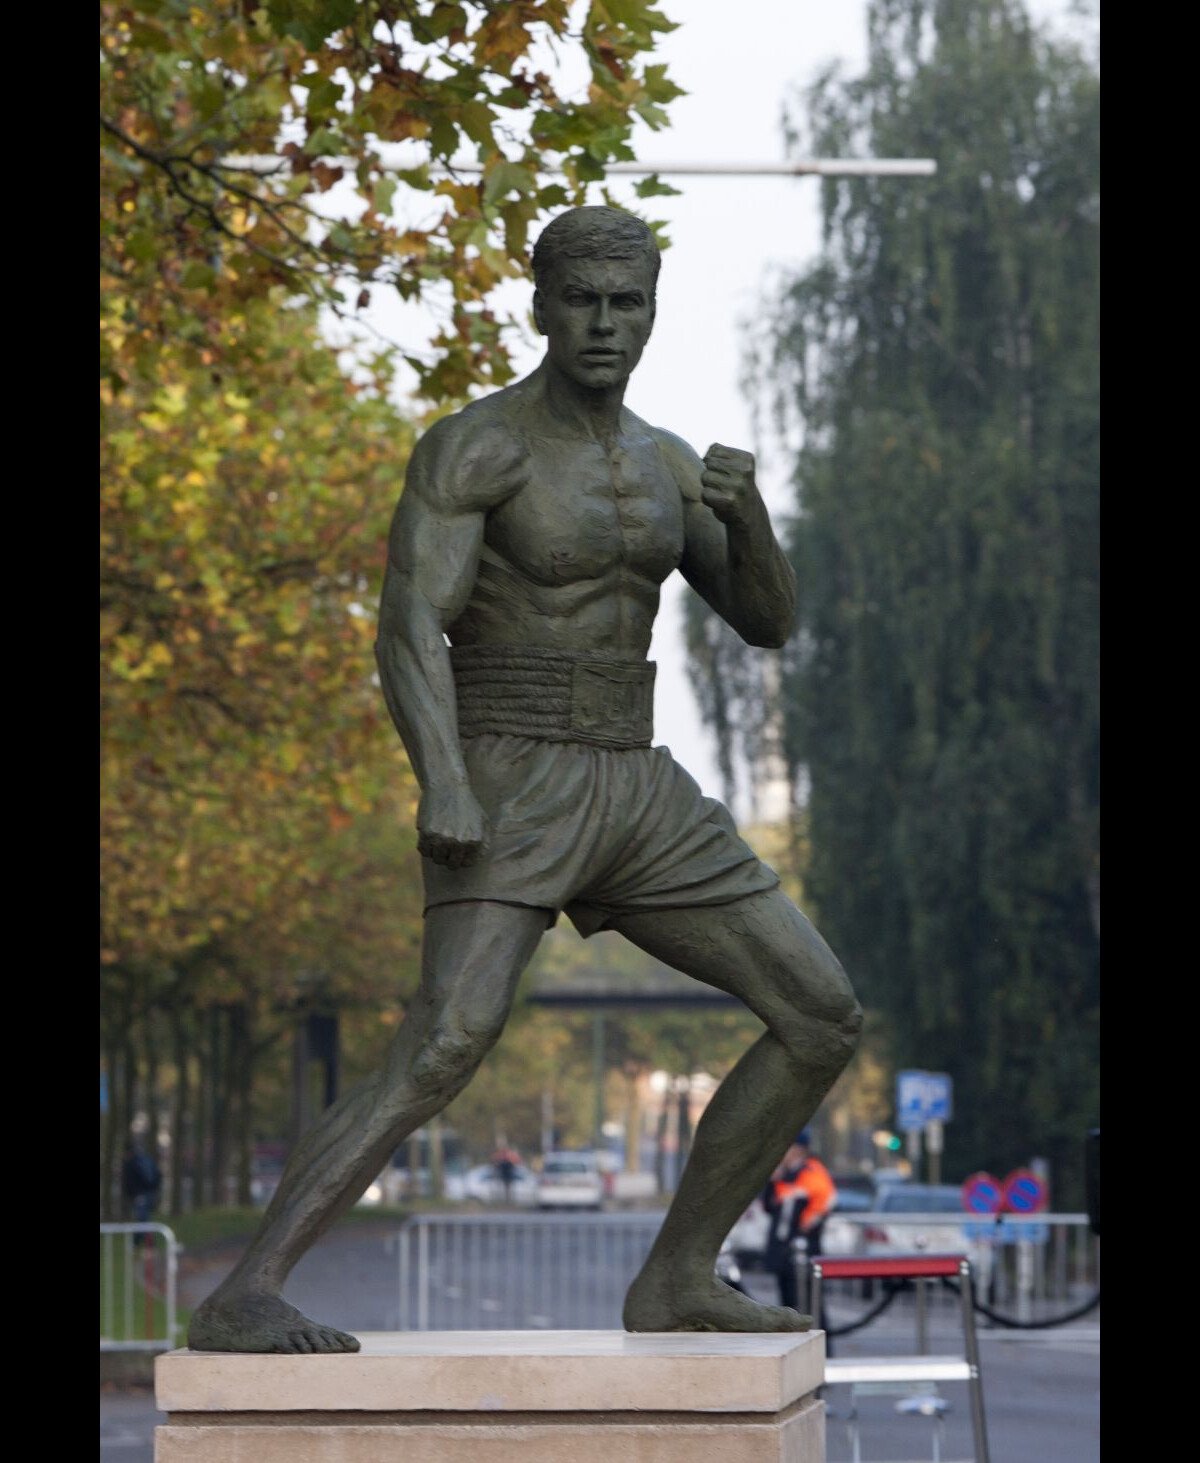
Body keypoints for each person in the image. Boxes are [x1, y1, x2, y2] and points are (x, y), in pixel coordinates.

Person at [188, 206, 862, 1354]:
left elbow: (766, 622)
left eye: (628, 302)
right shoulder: (477, 446)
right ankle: (244, 1289)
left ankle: (677, 1275)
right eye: (584, 299)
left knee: (820, 1013)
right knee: (447, 1040)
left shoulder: (665, 465)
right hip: (507, 765)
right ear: (541, 304)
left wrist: (750, 522)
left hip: (637, 777)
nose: (606, 323)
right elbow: (409, 623)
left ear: (651, 310)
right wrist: (441, 775)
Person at [761, 1130, 837, 1312]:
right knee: (789, 1302)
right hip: (784, 1253)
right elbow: (770, 1206)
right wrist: (771, 1182)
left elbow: (824, 1203)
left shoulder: (812, 1172)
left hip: (803, 1250)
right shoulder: (784, 1175)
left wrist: (805, 1228)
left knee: (809, 1305)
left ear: (798, 1150)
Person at [121, 1141, 162, 1243]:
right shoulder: (146, 1160)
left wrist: (133, 1195)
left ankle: (145, 1242)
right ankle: (140, 1242)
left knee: (143, 1218)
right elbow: (158, 1174)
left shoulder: (131, 1163)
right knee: (143, 1217)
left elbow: (129, 1182)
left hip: (140, 1195)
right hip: (149, 1193)